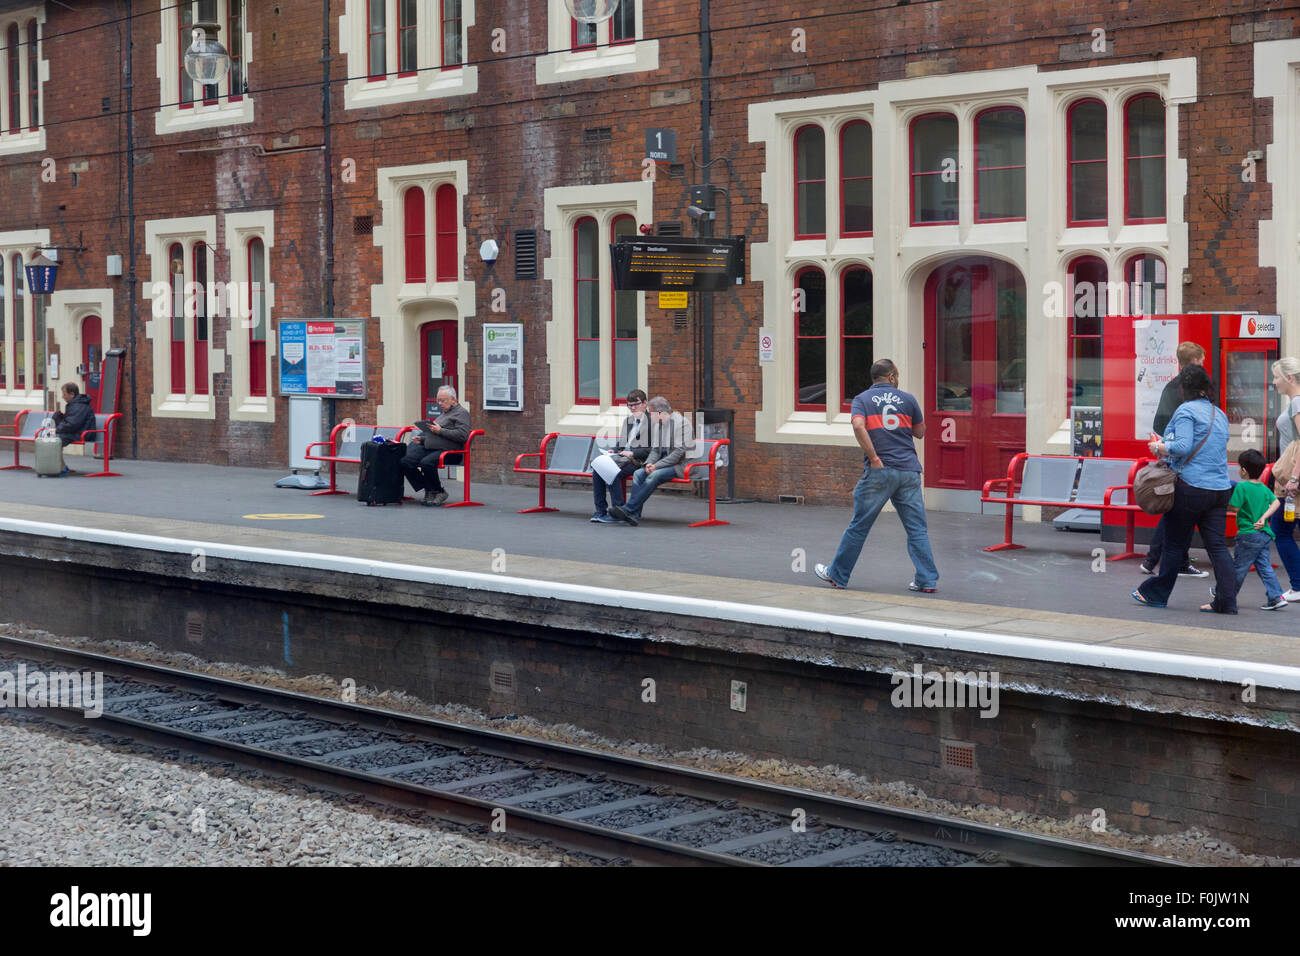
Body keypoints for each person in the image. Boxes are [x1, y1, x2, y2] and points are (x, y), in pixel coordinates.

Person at [813, 359, 939, 593]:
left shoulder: (862, 400)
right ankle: (926, 580)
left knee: (859, 526)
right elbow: (920, 432)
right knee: (917, 529)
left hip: (880, 472)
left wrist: (874, 458)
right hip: (909, 471)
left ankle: (837, 575)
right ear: (891, 376)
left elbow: (859, 426)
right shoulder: (908, 399)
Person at [1133, 364, 1235, 613]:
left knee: (1174, 545)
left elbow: (1182, 446)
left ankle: (1156, 594)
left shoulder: (1185, 410)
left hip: (1191, 488)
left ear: (1183, 389)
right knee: (1218, 547)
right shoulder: (1218, 413)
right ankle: (1226, 601)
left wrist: (1159, 447)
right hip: (1220, 489)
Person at [1141, 342, 1208, 578]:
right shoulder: (1194, 390)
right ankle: (1171, 562)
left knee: (1174, 510)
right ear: (1195, 361)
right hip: (1189, 461)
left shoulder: (1170, 387)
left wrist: (1168, 443)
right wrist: (1182, 440)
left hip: (1176, 457)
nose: (1203, 364)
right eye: (1201, 360)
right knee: (1180, 512)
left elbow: (1159, 424)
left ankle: (1153, 561)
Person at [608, 396, 692, 526]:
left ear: (659, 413)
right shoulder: (659, 425)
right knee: (638, 473)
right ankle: (634, 515)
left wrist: (656, 466)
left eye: (651, 414)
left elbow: (677, 454)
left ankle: (628, 509)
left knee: (654, 475)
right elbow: (655, 450)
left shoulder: (682, 424)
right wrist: (648, 464)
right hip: (661, 463)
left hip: (680, 465)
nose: (650, 417)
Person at [1223, 450, 1286, 611]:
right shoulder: (1263, 488)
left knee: (1239, 567)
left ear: (1243, 470)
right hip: (1264, 533)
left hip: (1248, 534)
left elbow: (1235, 508)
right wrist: (1264, 517)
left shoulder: (1242, 487)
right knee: (1264, 566)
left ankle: (1225, 594)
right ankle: (1275, 596)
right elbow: (1276, 503)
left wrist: (1225, 502)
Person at [400, 385, 471, 506]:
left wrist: (440, 430)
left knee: (426, 462)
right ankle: (429, 489)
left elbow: (462, 435)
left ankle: (438, 491)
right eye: (438, 400)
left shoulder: (461, 413)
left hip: (452, 451)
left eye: (443, 400)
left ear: (453, 400)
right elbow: (436, 435)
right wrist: (422, 440)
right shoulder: (444, 414)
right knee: (405, 461)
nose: (440, 403)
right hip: (434, 448)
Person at [591, 389, 650, 524]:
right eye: (630, 405)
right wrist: (614, 450)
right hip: (622, 458)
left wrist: (632, 453)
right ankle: (600, 511)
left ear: (645, 403)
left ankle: (618, 511)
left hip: (638, 461)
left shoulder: (652, 422)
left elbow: (652, 450)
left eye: (636, 404)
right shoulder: (628, 421)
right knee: (598, 468)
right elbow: (622, 443)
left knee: (612, 470)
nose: (633, 408)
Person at [1268, 357, 1300, 602]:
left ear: (1289, 378)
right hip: (1292, 477)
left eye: (1277, 377)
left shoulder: (1296, 403)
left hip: (1292, 480)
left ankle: (1298, 586)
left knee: (1281, 530)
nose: (1274, 382)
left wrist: (1294, 478)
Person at [53, 382, 96, 446]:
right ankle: (53, 455)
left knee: (53, 440)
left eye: (64, 394)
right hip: (77, 432)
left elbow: (72, 424)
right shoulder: (75, 404)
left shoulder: (79, 406)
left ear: (72, 394)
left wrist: (56, 430)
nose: (62, 397)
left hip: (83, 434)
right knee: (50, 437)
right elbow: (70, 422)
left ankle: (51, 456)